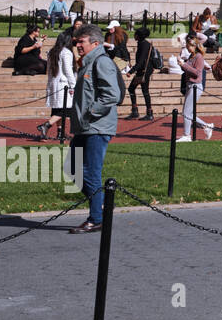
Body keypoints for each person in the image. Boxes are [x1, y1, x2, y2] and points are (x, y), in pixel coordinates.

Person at [66, 24, 121, 233]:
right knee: (72, 168)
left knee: (90, 171)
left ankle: (96, 218)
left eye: (82, 41)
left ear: (95, 43)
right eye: (76, 41)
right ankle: (103, 202)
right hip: (84, 127)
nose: (78, 45)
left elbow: (112, 94)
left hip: (97, 127)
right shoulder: (87, 63)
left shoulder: (101, 62)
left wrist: (91, 111)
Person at [37, 30, 77, 140]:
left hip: (53, 83)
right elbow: (68, 71)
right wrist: (73, 85)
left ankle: (60, 132)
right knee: (65, 109)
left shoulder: (52, 51)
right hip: (63, 84)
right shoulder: (66, 52)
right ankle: (46, 125)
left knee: (57, 109)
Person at [177, 34, 214, 142]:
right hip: (190, 85)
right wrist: (181, 64)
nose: (187, 48)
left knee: (186, 113)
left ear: (194, 46)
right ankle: (206, 126)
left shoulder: (199, 57)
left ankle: (187, 135)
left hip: (195, 86)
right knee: (188, 112)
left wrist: (183, 65)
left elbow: (197, 73)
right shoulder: (191, 56)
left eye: (189, 46)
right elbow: (188, 70)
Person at [126, 27, 159, 121]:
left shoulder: (143, 45)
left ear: (139, 36)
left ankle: (145, 112)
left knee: (138, 90)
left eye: (135, 34)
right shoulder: (144, 44)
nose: (134, 36)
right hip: (144, 70)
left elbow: (140, 62)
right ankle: (140, 111)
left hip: (143, 71)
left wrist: (131, 71)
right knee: (137, 90)